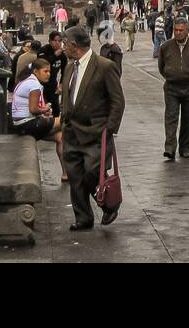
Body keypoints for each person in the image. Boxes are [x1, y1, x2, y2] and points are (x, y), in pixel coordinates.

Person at [59, 26, 125, 231]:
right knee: (75, 176)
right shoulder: (70, 66)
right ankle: (83, 217)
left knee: (92, 173)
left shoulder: (104, 66)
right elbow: (67, 96)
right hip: (72, 132)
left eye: (64, 43)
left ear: (73, 45)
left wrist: (110, 128)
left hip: (95, 132)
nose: (62, 47)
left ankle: (108, 203)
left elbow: (118, 101)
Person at [158, 19, 189, 161]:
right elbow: (161, 67)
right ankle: (170, 148)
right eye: (176, 30)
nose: (178, 33)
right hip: (172, 87)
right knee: (171, 117)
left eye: (181, 30)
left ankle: (186, 148)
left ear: (187, 31)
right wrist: (171, 76)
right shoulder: (165, 47)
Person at [12, 58, 65, 180]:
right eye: (45, 71)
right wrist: (45, 110)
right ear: (35, 71)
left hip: (21, 124)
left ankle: (65, 174)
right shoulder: (34, 85)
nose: (49, 74)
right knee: (66, 121)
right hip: (28, 124)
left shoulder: (27, 80)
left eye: (50, 72)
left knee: (61, 137)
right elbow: (33, 109)